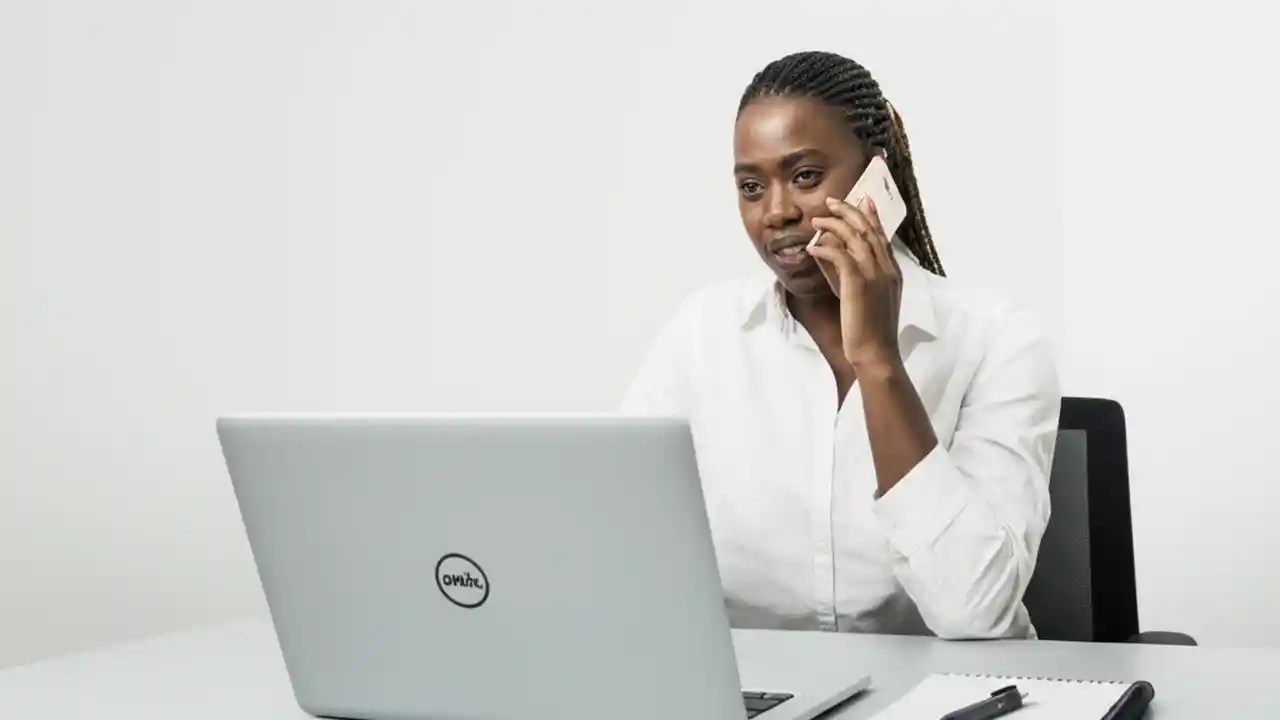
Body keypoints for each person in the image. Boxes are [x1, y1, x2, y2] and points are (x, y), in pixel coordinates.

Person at [620, 51, 1060, 640]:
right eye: (752, 187)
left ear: (878, 179)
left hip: (950, 695)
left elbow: (973, 611)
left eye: (804, 176)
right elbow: (615, 543)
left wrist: (878, 360)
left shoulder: (997, 339)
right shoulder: (702, 335)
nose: (776, 212)